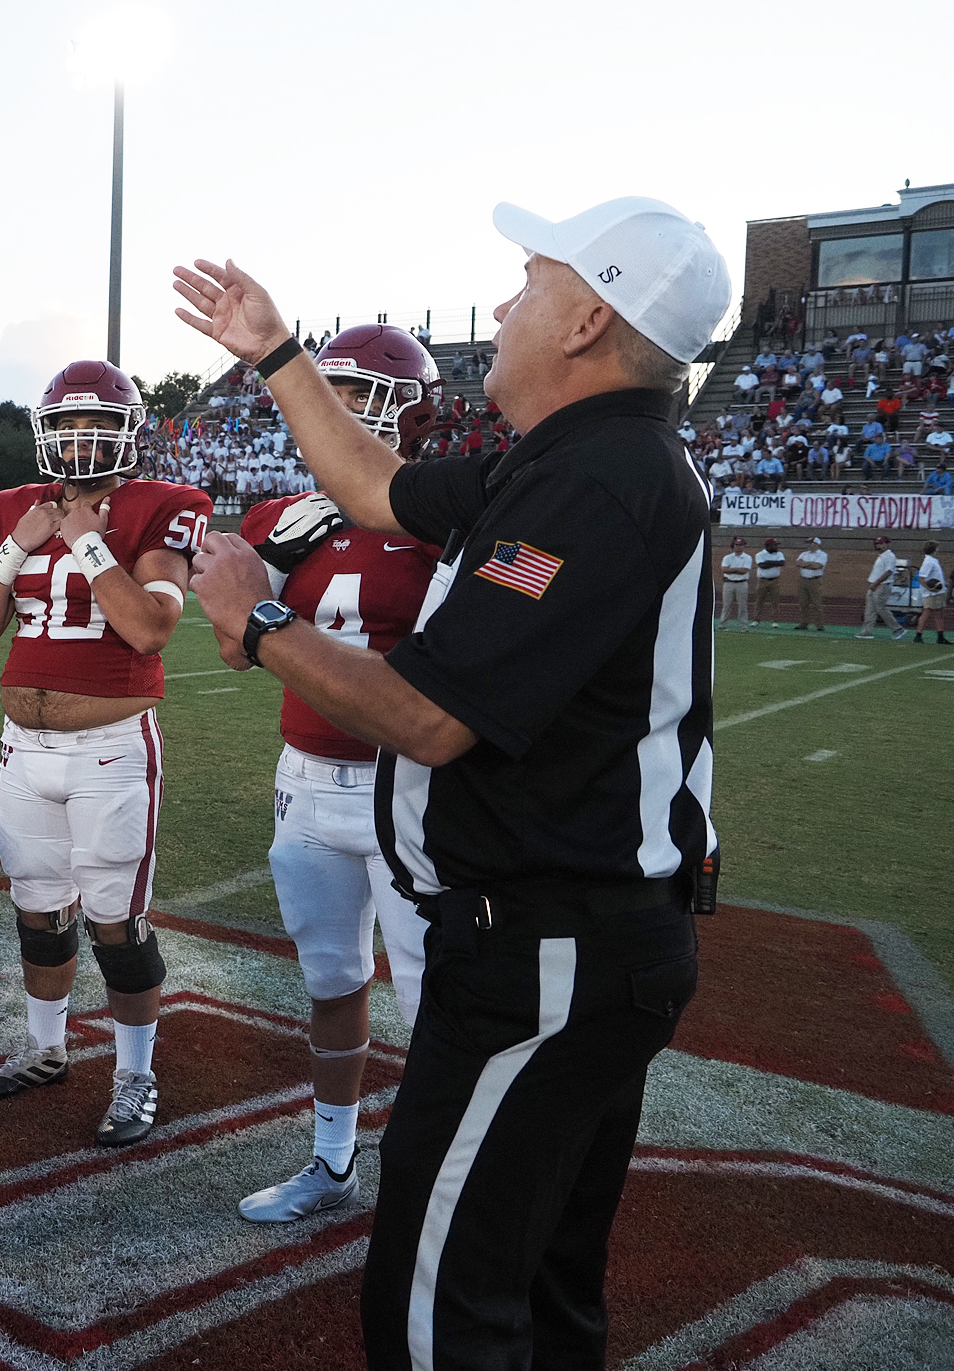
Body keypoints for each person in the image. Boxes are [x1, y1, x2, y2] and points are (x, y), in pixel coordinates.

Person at [175, 193, 722, 1369]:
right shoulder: (572, 458)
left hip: (547, 946)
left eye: (530, 280)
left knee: (439, 1307)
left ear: (585, 319)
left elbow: (428, 718)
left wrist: (257, 618)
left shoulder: (597, 479)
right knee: (540, 1286)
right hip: (575, 938)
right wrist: (274, 354)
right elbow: (377, 488)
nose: (503, 305)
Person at [0, 360, 210, 1147]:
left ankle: (135, 1075)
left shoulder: (164, 505)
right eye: (65, 424)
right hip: (22, 750)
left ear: (130, 430)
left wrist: (87, 545)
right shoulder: (16, 506)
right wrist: (18, 544)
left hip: (109, 751)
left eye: (95, 423)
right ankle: (45, 1049)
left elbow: (150, 630)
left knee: (116, 923)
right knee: (38, 909)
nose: (79, 438)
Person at [229, 327, 441, 1223]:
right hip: (307, 782)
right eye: (333, 391)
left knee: (435, 1002)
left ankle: (437, 1181)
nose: (340, 410)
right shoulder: (284, 518)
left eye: (360, 395)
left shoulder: (447, 521)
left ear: (412, 415)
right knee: (330, 980)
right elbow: (233, 649)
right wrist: (272, 565)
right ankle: (331, 1159)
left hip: (413, 788)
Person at [856, 535, 908, 640]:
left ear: (886, 544)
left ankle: (897, 629)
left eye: (881, 543)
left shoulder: (889, 556)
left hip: (882, 585)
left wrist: (876, 583)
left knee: (880, 608)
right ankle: (867, 631)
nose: (878, 546)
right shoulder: (882, 556)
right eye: (877, 544)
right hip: (874, 584)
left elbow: (888, 572)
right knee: (870, 609)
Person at [912, 542, 950, 644]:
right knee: (927, 613)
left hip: (938, 592)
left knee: (939, 613)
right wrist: (930, 589)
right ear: (935, 549)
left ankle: (940, 636)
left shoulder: (933, 560)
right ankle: (918, 635)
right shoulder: (928, 562)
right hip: (932, 594)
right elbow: (921, 578)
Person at [795, 536, 829, 631]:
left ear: (817, 544)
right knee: (803, 603)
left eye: (811, 543)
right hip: (803, 580)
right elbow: (797, 563)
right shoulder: (804, 554)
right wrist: (810, 564)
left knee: (817, 603)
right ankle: (803, 623)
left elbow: (817, 566)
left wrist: (804, 564)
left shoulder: (822, 555)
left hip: (815, 580)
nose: (808, 545)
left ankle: (819, 624)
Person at [719, 536, 753, 629]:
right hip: (728, 583)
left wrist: (731, 569)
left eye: (740, 545)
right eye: (736, 545)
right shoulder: (727, 557)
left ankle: (744, 625)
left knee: (742, 605)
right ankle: (722, 624)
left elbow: (744, 571)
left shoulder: (747, 557)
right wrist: (737, 570)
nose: (738, 547)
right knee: (726, 605)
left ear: (744, 546)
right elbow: (724, 570)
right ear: (733, 546)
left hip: (742, 583)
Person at [753, 536, 786, 626]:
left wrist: (769, 562)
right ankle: (756, 619)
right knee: (759, 600)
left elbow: (782, 563)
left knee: (775, 601)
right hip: (762, 580)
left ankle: (774, 620)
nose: (777, 547)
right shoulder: (760, 554)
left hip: (774, 580)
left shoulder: (779, 554)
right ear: (769, 546)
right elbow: (762, 566)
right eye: (775, 545)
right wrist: (774, 563)